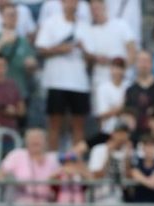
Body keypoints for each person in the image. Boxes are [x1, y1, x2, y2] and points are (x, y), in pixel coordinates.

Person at [35, 0, 91, 150]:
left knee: (78, 124)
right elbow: (41, 49)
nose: (71, 4)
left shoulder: (85, 26)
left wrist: (83, 49)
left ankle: (75, 160)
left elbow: (91, 57)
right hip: (56, 81)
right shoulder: (51, 23)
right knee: (55, 123)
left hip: (79, 82)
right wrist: (61, 49)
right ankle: (53, 159)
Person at [0, 128, 60, 206]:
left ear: (45, 141)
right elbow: (0, 175)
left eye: (38, 138)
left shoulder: (53, 158)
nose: (35, 141)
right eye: (32, 138)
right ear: (26, 141)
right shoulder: (17, 155)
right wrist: (14, 181)